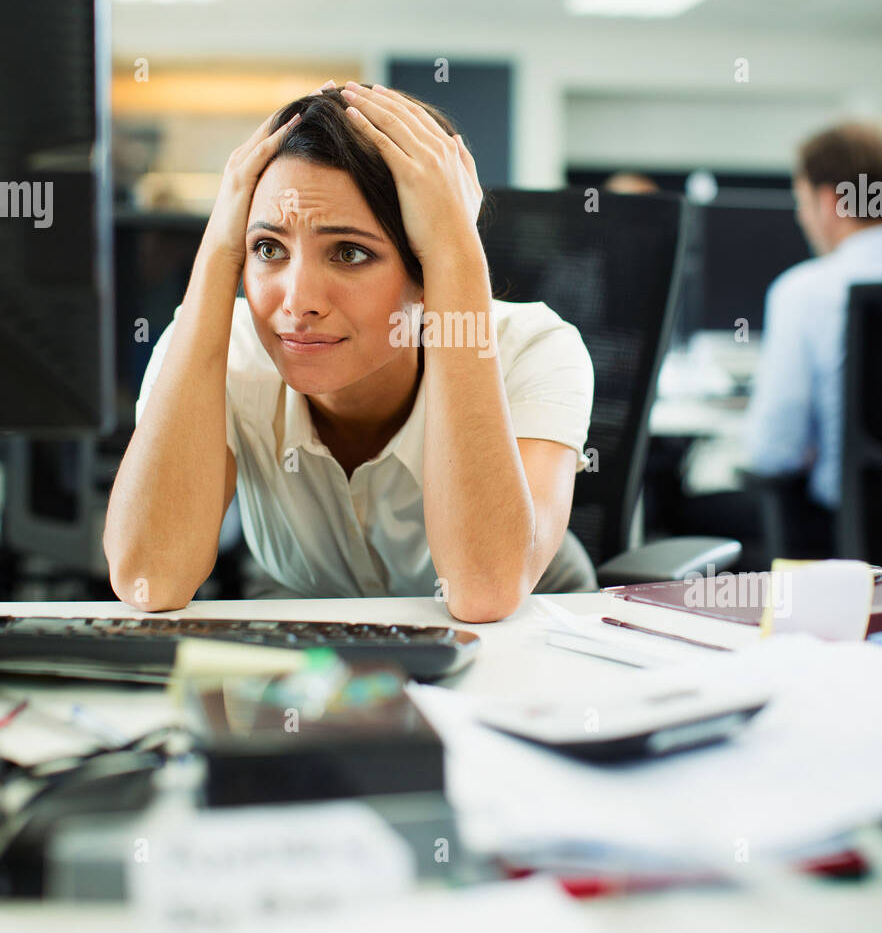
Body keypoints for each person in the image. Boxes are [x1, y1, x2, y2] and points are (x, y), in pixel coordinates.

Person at [103, 80, 596, 621]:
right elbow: (148, 579)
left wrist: (456, 254)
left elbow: (483, 592)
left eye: (349, 253)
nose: (298, 302)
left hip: (533, 634)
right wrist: (218, 251)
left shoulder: (532, 348)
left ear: (427, 268)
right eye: (267, 247)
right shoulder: (218, 350)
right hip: (317, 639)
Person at [744, 121, 882, 532]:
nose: (800, 216)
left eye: (802, 202)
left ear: (829, 202)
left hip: (847, 538)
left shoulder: (805, 291)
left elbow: (775, 451)